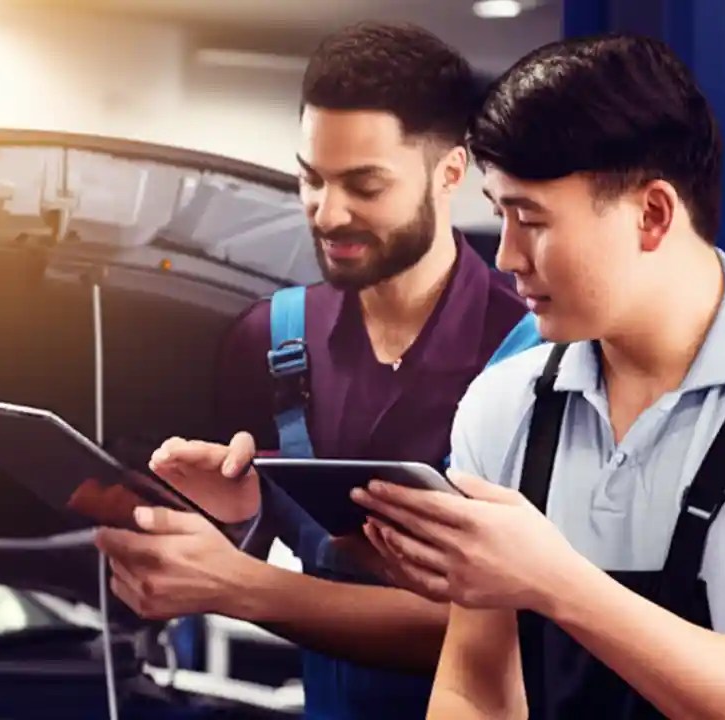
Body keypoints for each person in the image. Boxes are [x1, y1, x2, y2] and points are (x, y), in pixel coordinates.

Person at [351, 33, 725, 718]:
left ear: (653, 214)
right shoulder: (502, 405)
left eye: (531, 219)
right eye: (500, 216)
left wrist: (558, 585)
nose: (509, 256)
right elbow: (474, 686)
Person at [93, 22, 541, 720]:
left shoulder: (530, 356)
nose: (328, 214)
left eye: (364, 184)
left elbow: (511, 631)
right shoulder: (267, 339)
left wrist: (240, 586)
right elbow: (267, 548)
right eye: (311, 179)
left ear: (452, 172)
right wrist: (237, 515)